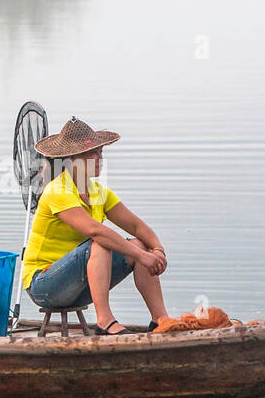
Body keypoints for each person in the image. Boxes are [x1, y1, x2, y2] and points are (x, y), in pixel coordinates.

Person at [21, 117, 170, 335]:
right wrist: (142, 257)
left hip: (78, 285)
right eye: (92, 154)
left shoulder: (99, 192)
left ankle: (161, 320)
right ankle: (105, 321)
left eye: (100, 153)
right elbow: (95, 231)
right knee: (100, 243)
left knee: (140, 244)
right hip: (44, 286)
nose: (99, 159)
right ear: (71, 159)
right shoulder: (57, 191)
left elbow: (138, 227)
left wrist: (156, 250)